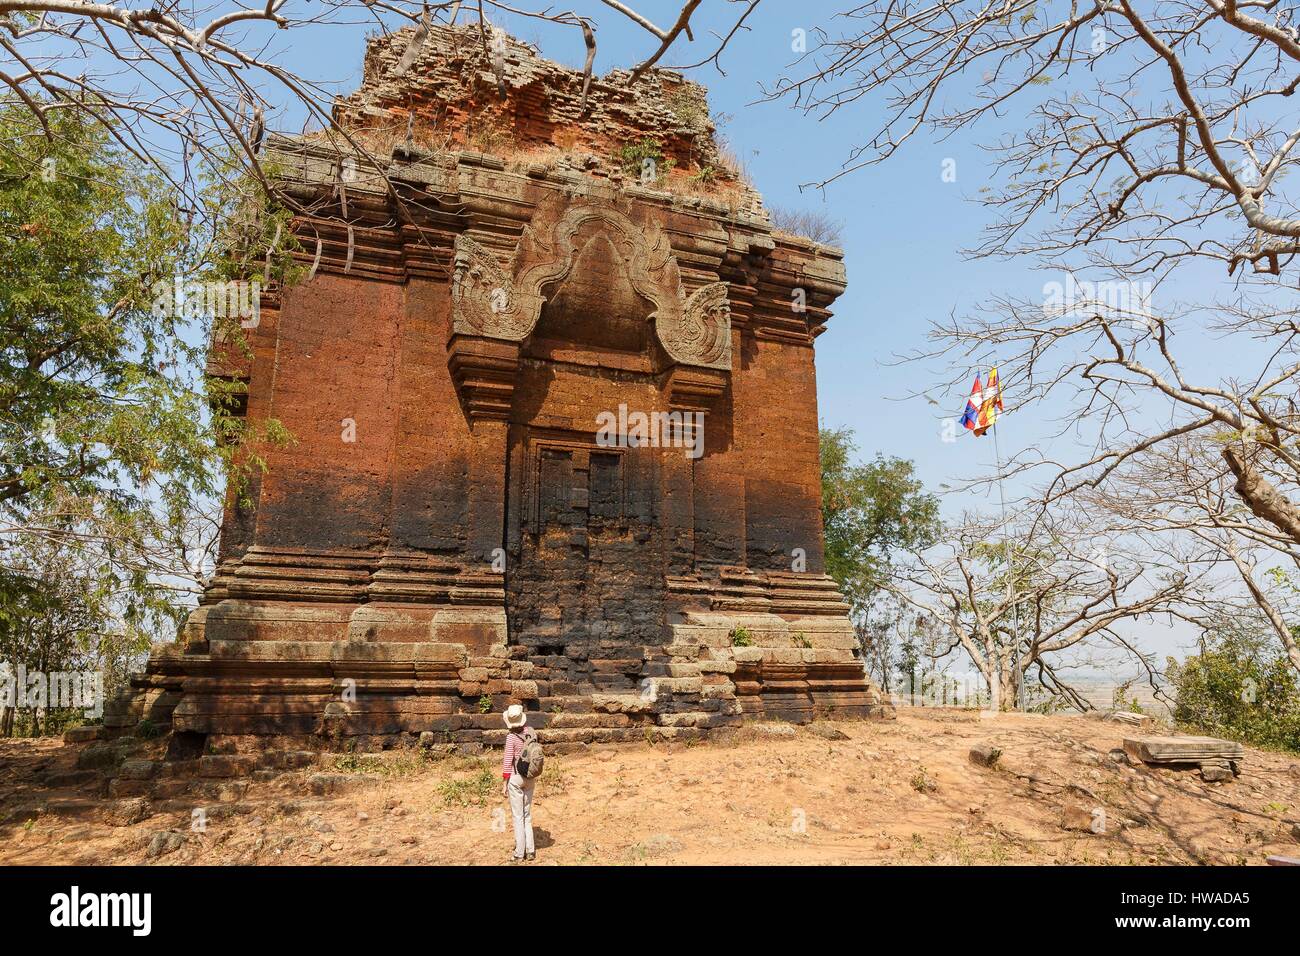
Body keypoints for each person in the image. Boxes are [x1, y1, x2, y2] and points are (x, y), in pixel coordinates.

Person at [501, 704, 536, 863]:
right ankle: (530, 850)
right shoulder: (530, 732)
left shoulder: (511, 737)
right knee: (527, 815)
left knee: (518, 816)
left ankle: (519, 853)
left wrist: (504, 783)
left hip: (516, 778)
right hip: (530, 777)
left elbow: (508, 761)